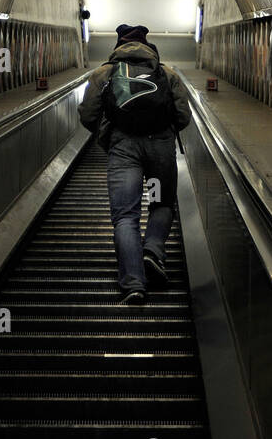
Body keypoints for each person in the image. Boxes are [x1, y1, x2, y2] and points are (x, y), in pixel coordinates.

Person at [79, 23, 191, 304]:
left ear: (118, 45)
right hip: (160, 150)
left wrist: (110, 132)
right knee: (160, 203)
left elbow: (88, 115)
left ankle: (133, 284)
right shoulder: (167, 73)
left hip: (124, 148)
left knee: (126, 216)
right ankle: (152, 251)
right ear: (148, 45)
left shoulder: (104, 73)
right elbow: (182, 117)